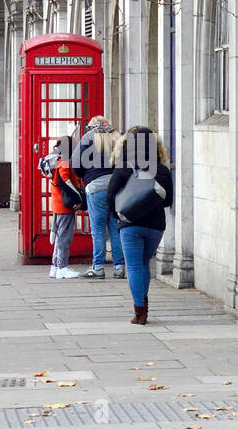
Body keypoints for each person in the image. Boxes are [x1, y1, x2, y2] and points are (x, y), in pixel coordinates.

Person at [106, 126, 173, 325]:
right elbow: (168, 200)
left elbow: (110, 196)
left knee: (134, 267)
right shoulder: (162, 170)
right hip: (155, 227)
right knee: (144, 264)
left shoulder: (124, 167)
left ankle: (140, 312)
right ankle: (142, 305)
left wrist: (117, 214)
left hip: (130, 225)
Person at [71, 115, 123, 279]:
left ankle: (98, 267)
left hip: (96, 187)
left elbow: (75, 163)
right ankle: (119, 267)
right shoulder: (117, 136)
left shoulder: (88, 137)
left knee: (98, 229)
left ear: (92, 126)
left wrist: (85, 175)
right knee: (115, 228)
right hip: (117, 187)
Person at [43, 136, 83, 279]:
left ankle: (55, 266)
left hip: (56, 203)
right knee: (64, 238)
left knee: (59, 235)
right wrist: (78, 197)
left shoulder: (56, 160)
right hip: (65, 205)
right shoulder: (65, 162)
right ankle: (62, 267)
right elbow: (65, 180)